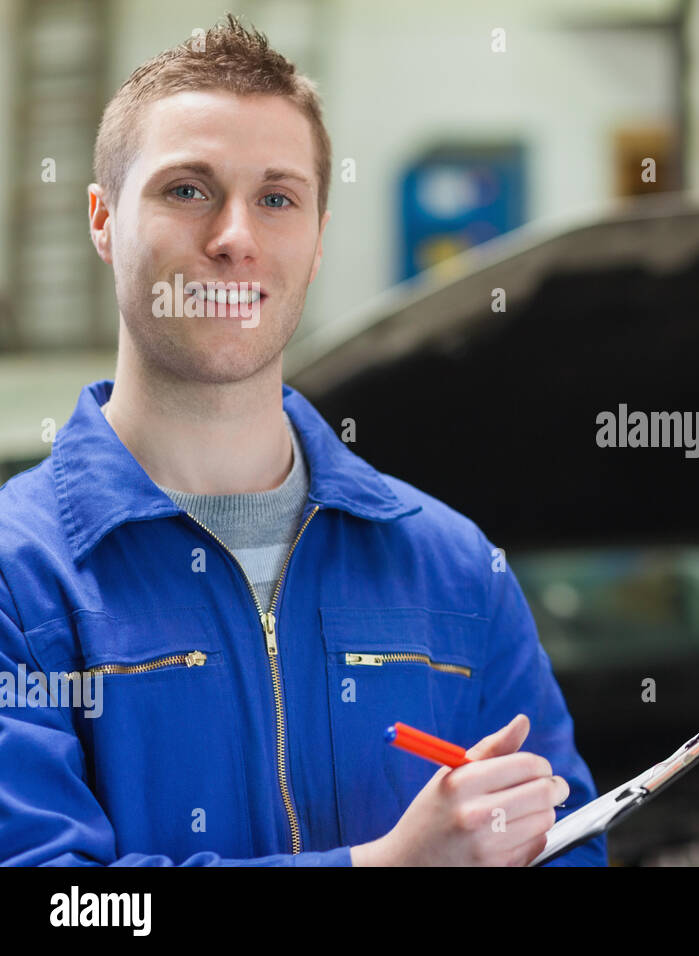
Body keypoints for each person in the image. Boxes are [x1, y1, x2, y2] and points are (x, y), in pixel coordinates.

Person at [0, 14, 605, 867]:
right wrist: (387, 866)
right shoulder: (18, 578)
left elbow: (570, 846)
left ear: (319, 239)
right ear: (102, 220)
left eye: (277, 198)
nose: (235, 237)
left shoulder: (455, 569)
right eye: (187, 190)